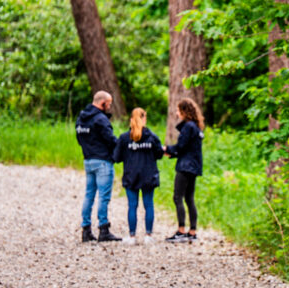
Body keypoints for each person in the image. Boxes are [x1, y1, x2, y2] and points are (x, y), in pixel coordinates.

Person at [75, 90, 122, 242]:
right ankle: (103, 229)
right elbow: (111, 140)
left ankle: (86, 230)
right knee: (103, 196)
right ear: (102, 103)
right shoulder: (101, 119)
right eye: (109, 104)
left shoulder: (81, 118)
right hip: (102, 162)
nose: (110, 106)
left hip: (88, 160)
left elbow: (79, 138)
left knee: (89, 195)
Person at [113, 108, 163, 245]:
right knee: (149, 205)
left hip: (131, 175)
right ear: (144, 119)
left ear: (131, 119)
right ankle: (148, 235)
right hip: (148, 175)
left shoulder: (124, 138)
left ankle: (132, 236)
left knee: (132, 206)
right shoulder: (152, 137)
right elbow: (159, 154)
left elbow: (116, 158)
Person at [163, 97, 204, 243]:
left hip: (185, 167)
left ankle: (181, 231)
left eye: (178, 110)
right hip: (194, 167)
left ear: (184, 111)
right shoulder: (196, 127)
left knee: (177, 197)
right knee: (189, 198)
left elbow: (181, 147)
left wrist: (166, 149)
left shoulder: (188, 127)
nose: (176, 113)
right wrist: (173, 152)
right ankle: (192, 231)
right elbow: (188, 148)